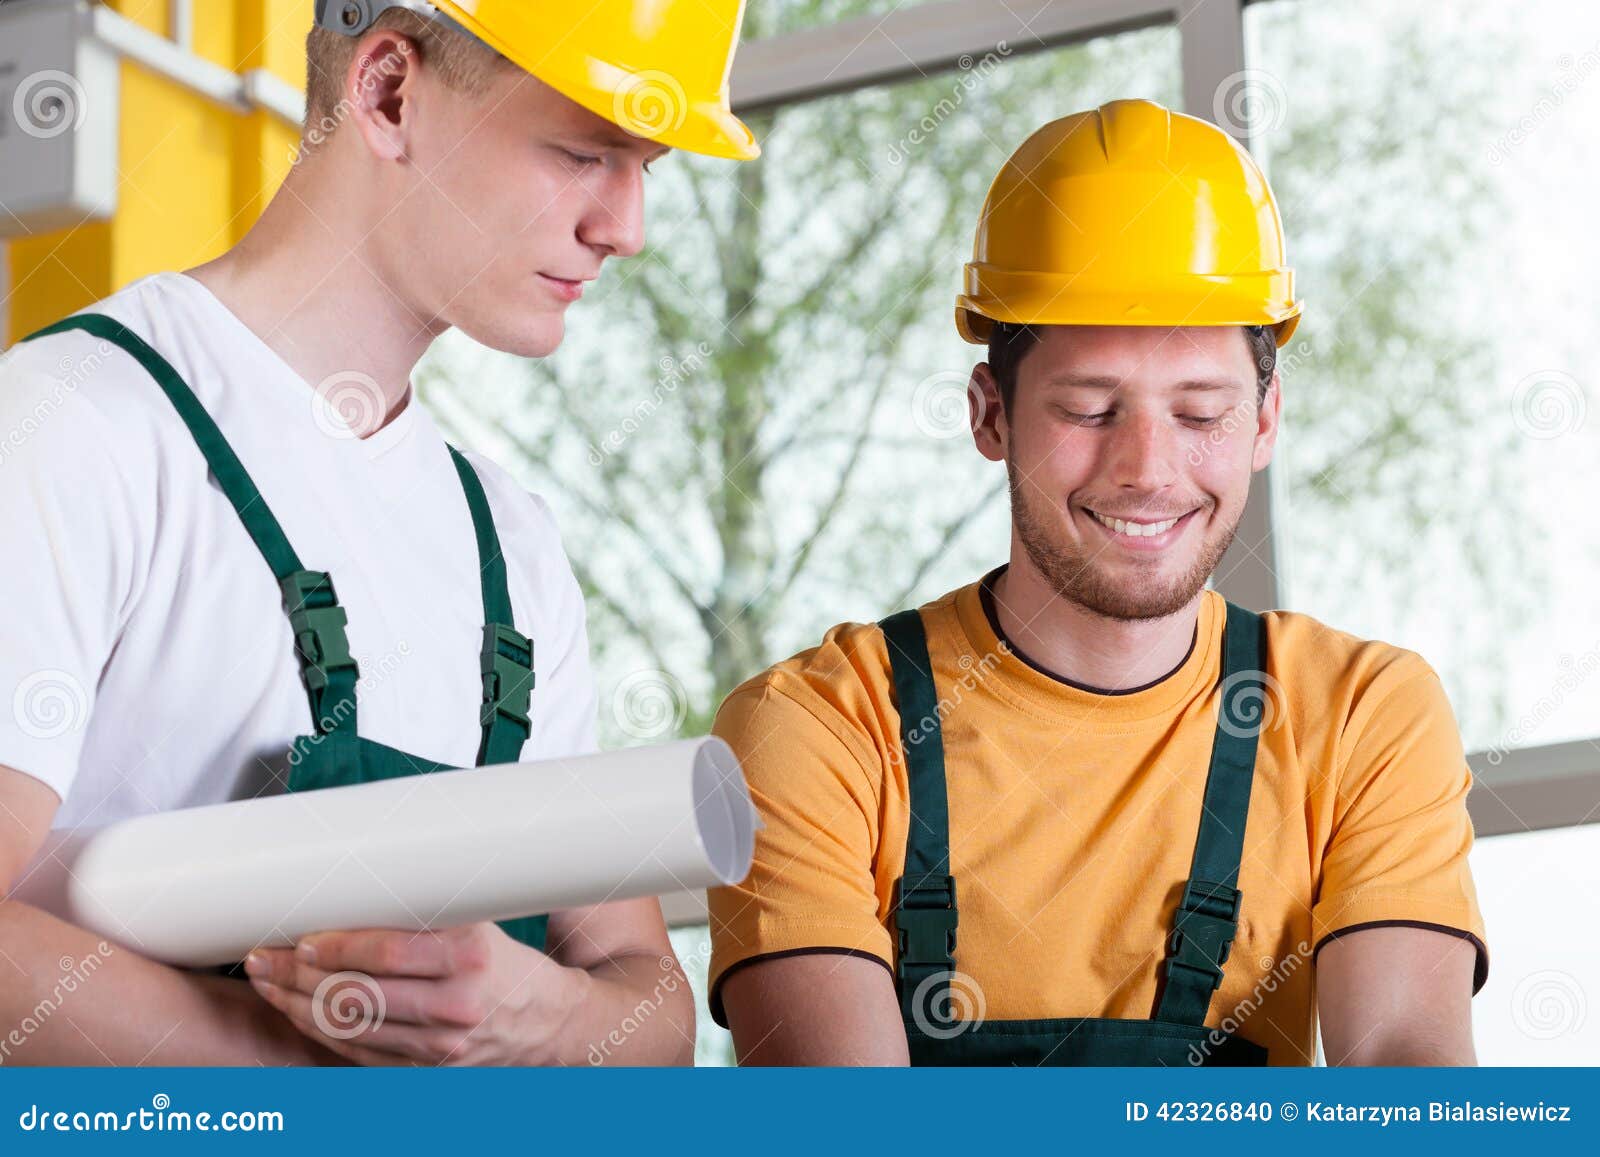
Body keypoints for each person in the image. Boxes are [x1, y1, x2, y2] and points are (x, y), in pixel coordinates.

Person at [0, 0, 756, 1066]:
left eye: (647, 168)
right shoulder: (76, 421)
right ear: (388, 92)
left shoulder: (513, 547)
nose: (625, 226)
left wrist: (522, 1014)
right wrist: (334, 1088)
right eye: (585, 152)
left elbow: (649, 1008)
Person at [705, 99, 1487, 1066]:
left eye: (1202, 412)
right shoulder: (823, 726)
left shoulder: (1362, 713)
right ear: (991, 416)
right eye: (1088, 407)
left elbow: (1407, 1078)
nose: (1148, 468)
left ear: (1267, 419)